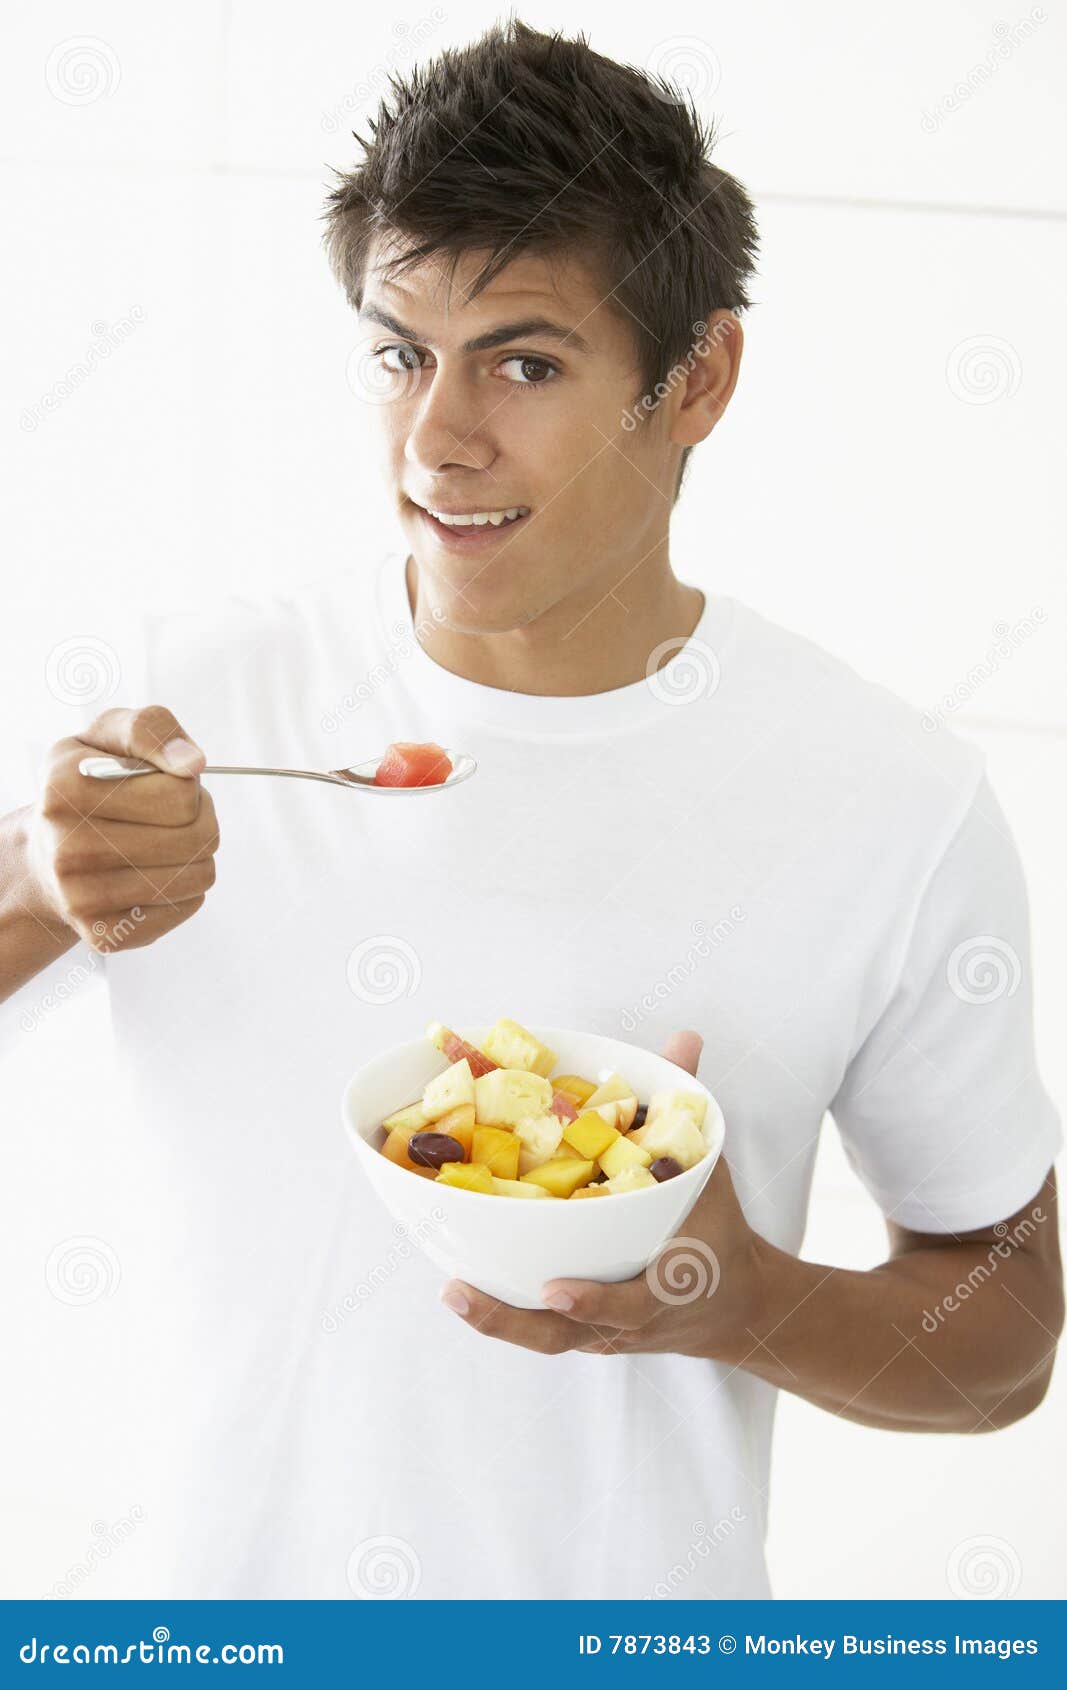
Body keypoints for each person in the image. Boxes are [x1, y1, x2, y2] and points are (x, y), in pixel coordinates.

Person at [1, 19, 1061, 1601]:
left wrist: (731, 1294)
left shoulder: (890, 799)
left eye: (525, 360)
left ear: (695, 378)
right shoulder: (187, 714)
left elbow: (1003, 1336)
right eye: (397, 352)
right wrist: (37, 882)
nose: (437, 438)